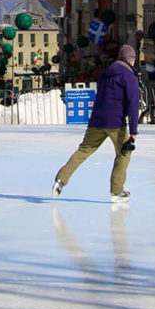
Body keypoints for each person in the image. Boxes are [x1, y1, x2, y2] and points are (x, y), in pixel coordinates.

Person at [52, 44, 140, 204]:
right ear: (131, 60)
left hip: (97, 120)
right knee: (124, 153)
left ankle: (61, 179)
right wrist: (133, 131)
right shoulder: (129, 77)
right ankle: (117, 190)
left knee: (84, 150)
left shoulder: (106, 74)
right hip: (115, 122)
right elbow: (134, 104)